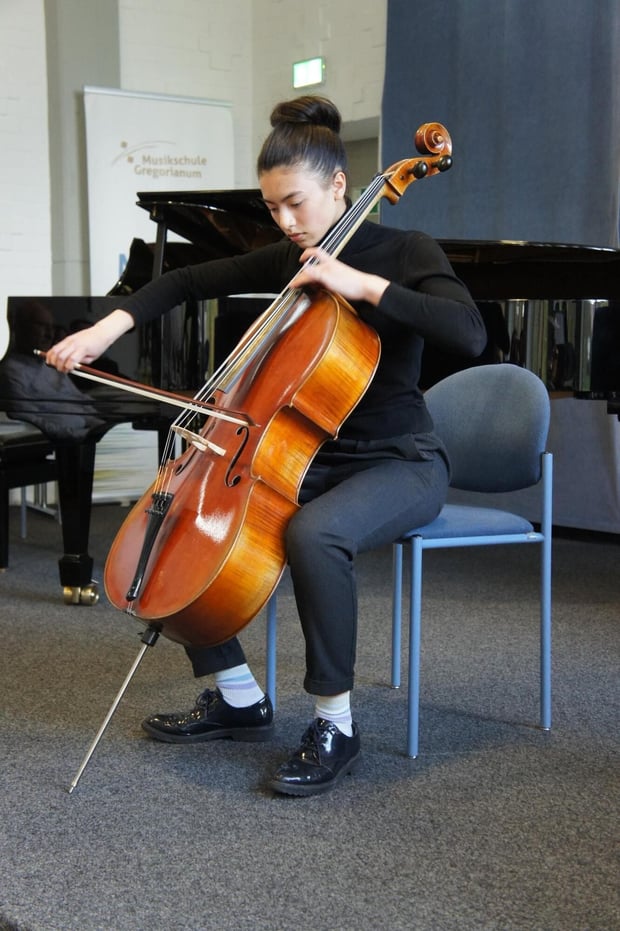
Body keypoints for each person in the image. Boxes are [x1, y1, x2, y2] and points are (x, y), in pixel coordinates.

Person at [46, 95, 487, 796]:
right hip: (305, 457)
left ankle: (336, 724)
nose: (283, 223)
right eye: (272, 207)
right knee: (190, 522)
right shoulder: (290, 258)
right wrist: (107, 328)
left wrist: (360, 284)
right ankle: (237, 695)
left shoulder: (406, 251)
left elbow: (468, 334)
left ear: (339, 187)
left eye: (295, 204)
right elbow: (186, 279)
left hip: (398, 460)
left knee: (316, 535)